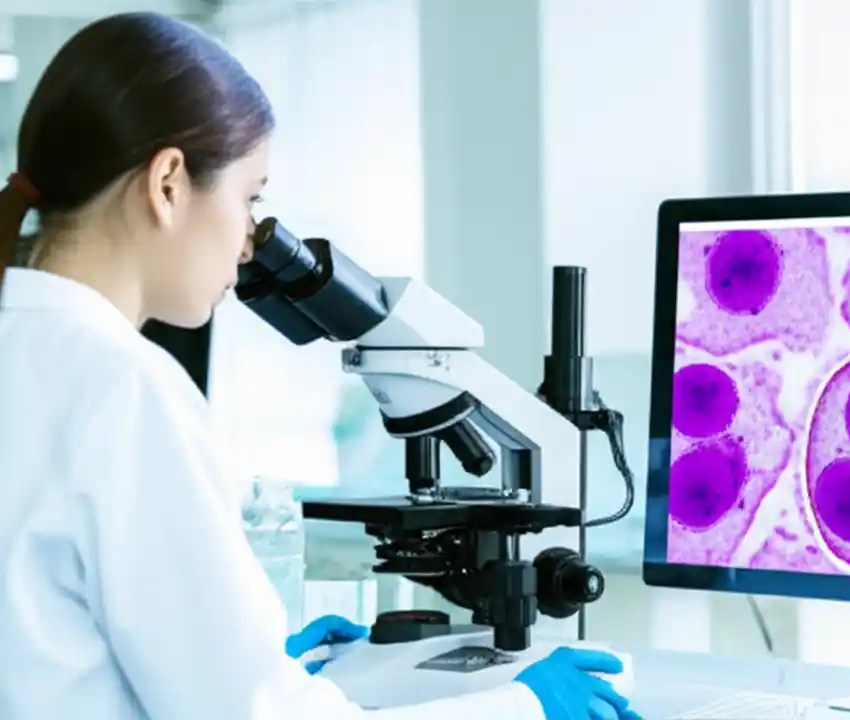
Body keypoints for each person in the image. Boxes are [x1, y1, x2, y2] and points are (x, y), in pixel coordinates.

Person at [0, 12, 637, 720]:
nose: (248, 243)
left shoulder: (32, 350)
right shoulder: (125, 389)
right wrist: (525, 707)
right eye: (250, 198)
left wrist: (247, 660)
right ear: (170, 181)